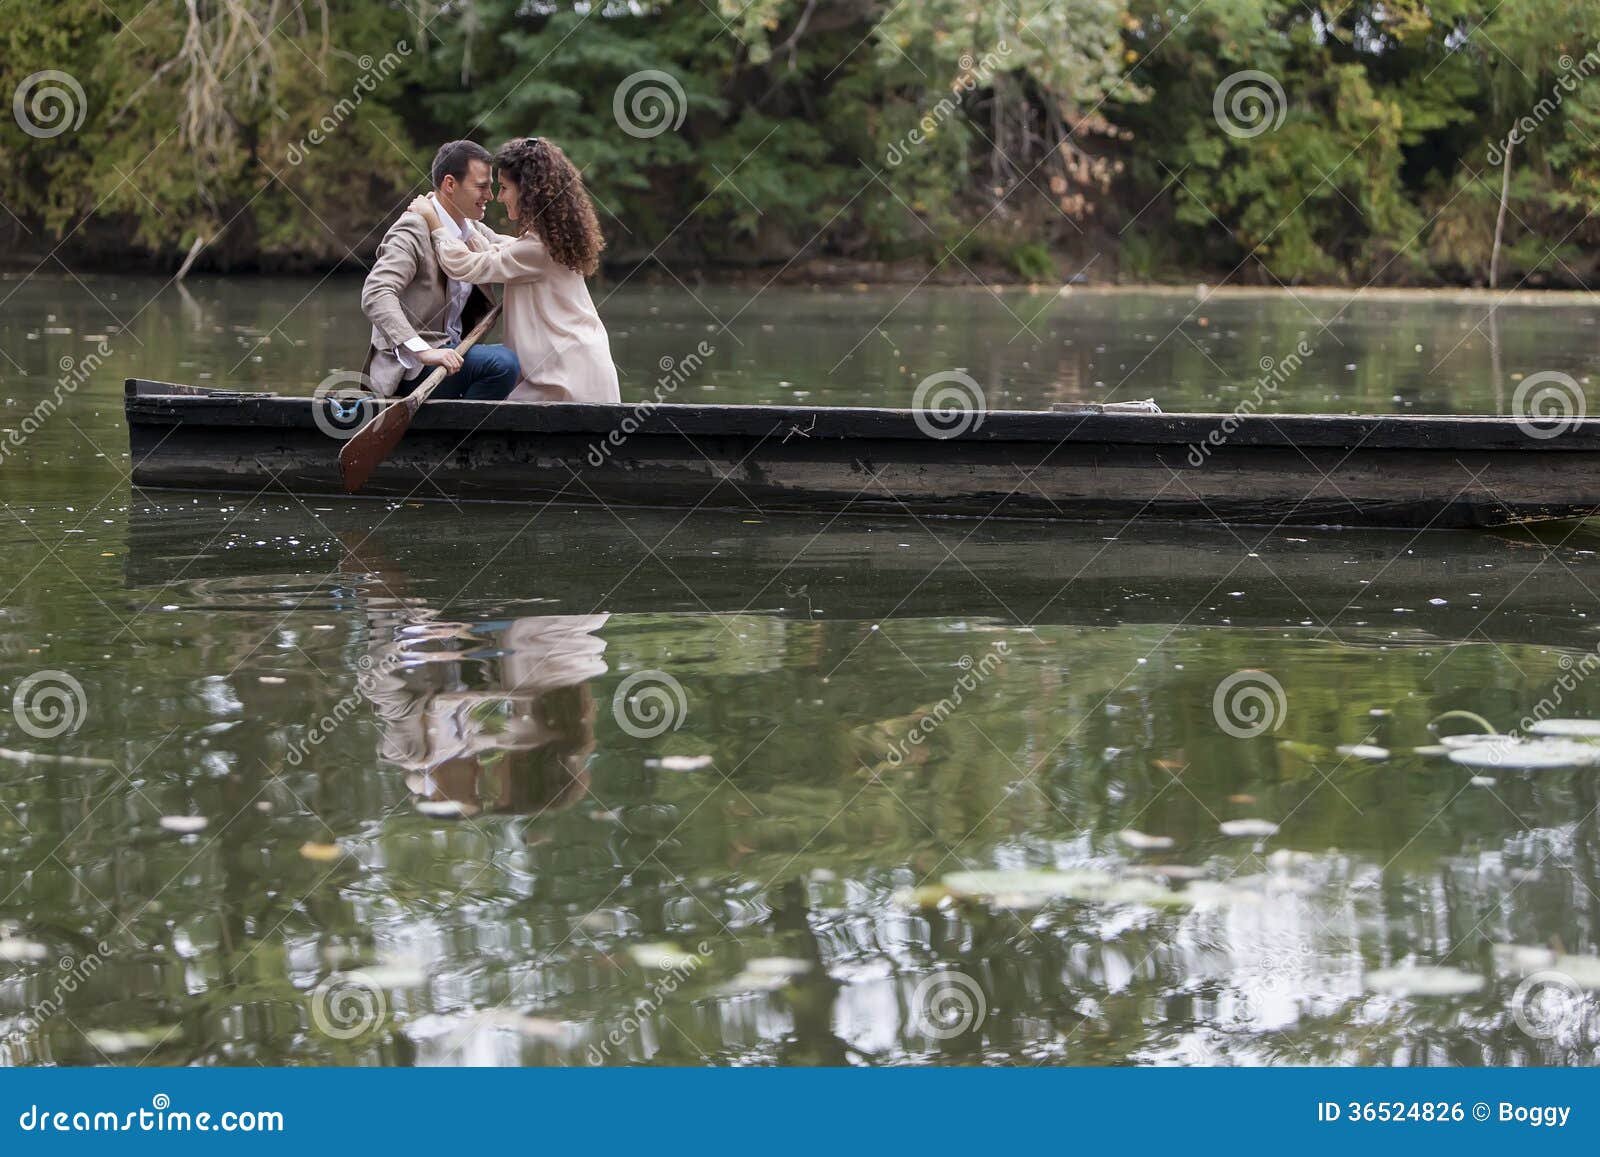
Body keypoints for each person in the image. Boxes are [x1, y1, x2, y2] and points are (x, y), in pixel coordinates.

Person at [406, 136, 620, 404]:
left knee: (499, 400)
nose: (499, 196)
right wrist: (455, 217)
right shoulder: (545, 240)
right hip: (578, 364)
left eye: (505, 188)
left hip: (567, 375)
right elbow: (499, 246)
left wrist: (433, 220)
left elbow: (464, 265)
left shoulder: (537, 248)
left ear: (528, 192)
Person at [360, 140, 522, 400]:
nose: (490, 196)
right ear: (450, 184)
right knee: (502, 364)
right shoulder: (412, 229)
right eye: (481, 187)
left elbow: (516, 250)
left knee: (521, 360)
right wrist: (423, 351)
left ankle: (458, 433)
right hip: (412, 368)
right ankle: (463, 438)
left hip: (454, 357)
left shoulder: (472, 229)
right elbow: (376, 293)